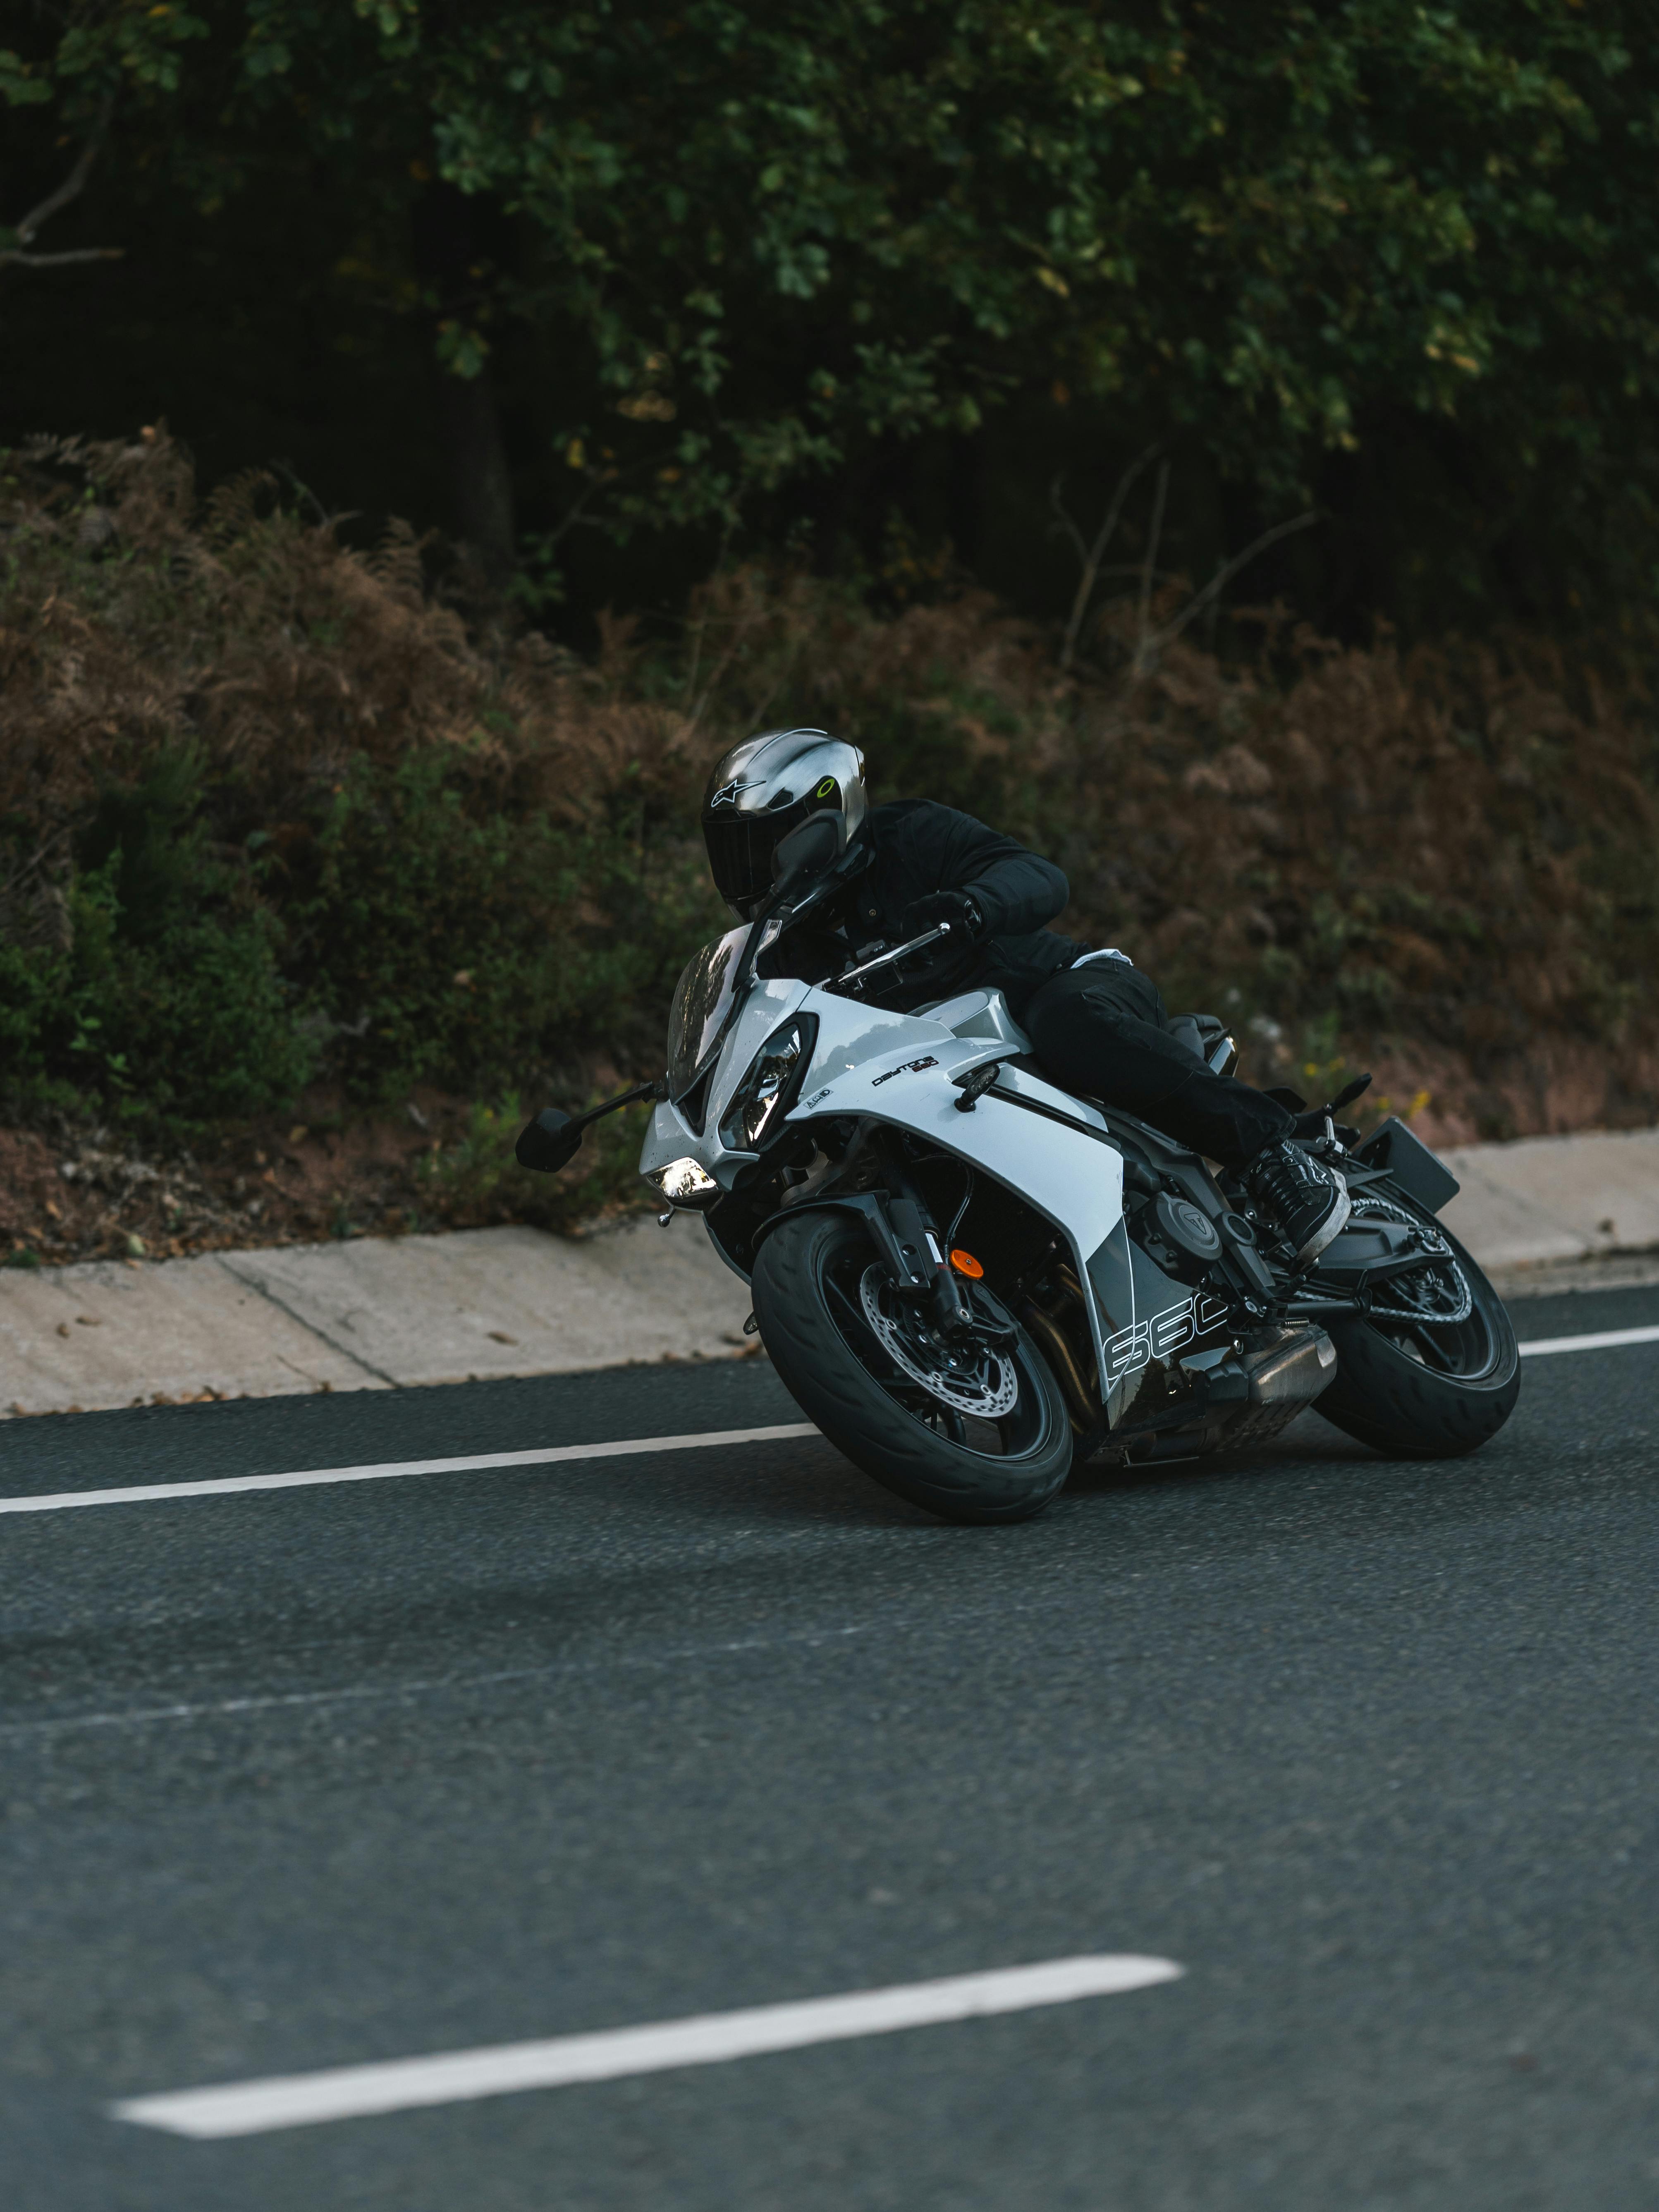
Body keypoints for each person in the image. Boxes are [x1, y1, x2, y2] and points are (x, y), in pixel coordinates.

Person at [700, 726, 1349, 1265]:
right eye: (735, 854)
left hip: (1063, 992)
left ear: (817, 823)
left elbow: (1038, 876)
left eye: (760, 848)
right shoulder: (782, 955)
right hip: (942, 1076)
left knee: (1068, 1020)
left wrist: (973, 908)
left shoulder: (907, 836)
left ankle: (1272, 1153)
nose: (747, 873)